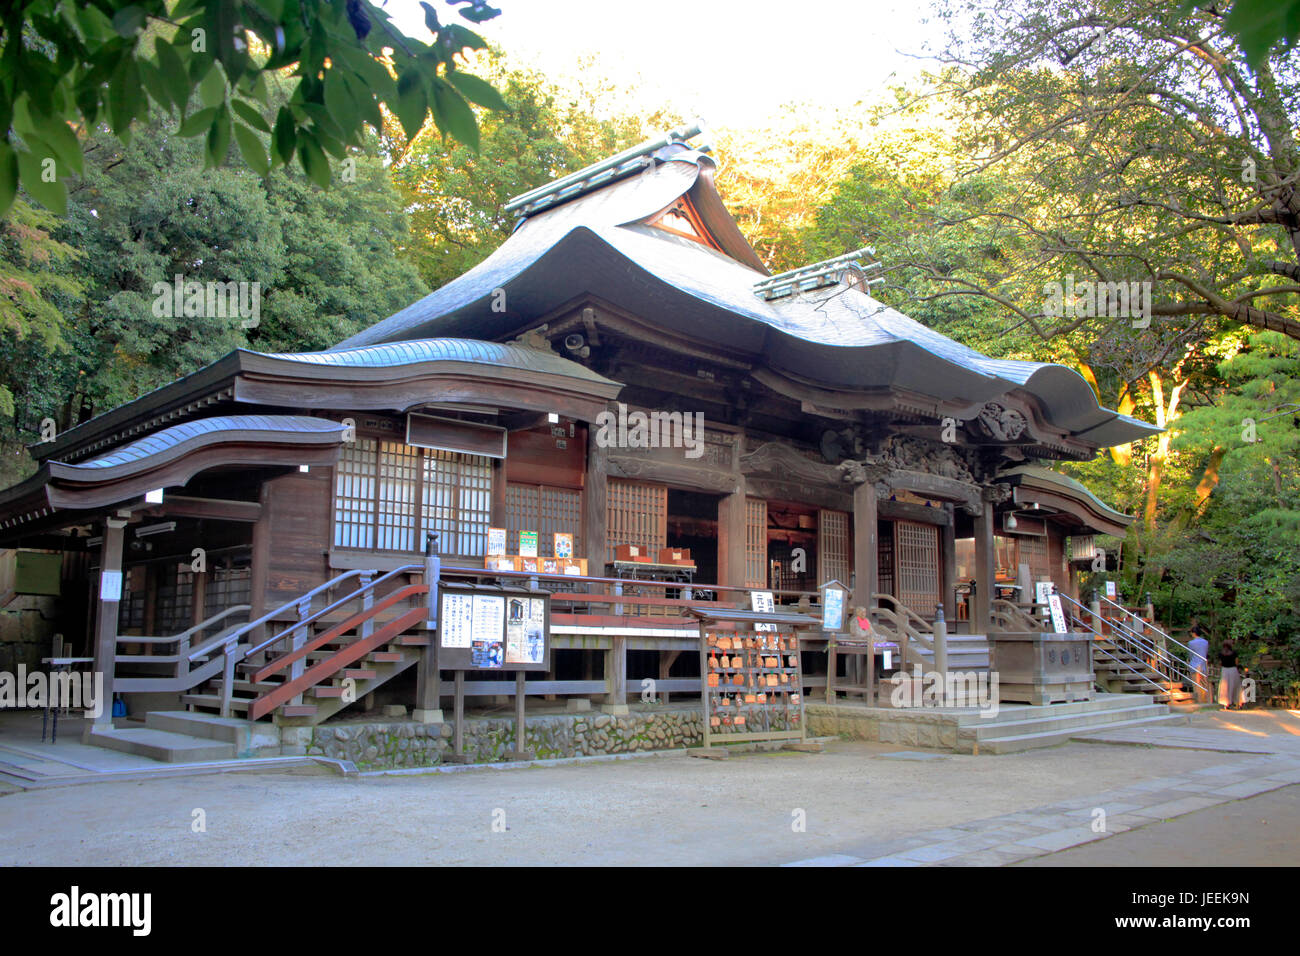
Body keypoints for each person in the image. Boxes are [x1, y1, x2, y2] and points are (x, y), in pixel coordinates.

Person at [1187, 619, 1210, 704]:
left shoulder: (1191, 643)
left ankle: (1198, 701)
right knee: (1204, 684)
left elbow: (1190, 654)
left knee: (1196, 685)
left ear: (1193, 633)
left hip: (1194, 665)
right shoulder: (1205, 642)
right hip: (1203, 664)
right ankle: (1206, 700)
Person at [1218, 639, 1241, 710]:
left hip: (1224, 670)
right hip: (1233, 670)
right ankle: (1236, 701)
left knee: (1225, 686)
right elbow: (1236, 662)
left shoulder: (1220, 653)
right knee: (1235, 686)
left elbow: (1220, 663)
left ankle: (1225, 702)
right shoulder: (1234, 653)